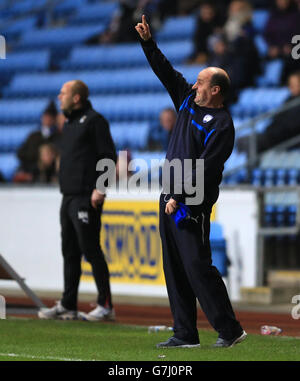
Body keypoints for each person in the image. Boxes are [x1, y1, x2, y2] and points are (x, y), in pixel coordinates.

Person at [135, 15, 246, 348]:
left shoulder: (222, 124)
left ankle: (230, 329)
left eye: (200, 83)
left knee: (197, 265)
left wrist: (180, 199)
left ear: (215, 90)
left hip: (191, 203)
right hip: (169, 197)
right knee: (175, 267)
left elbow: (206, 168)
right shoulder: (186, 100)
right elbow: (166, 72)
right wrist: (148, 43)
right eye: (195, 82)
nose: (194, 86)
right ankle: (185, 332)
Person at [38, 80, 117, 321]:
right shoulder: (69, 123)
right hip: (68, 196)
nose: (59, 97)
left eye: (63, 93)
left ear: (76, 98)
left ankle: (105, 305)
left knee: (91, 249)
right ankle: (68, 303)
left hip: (86, 197)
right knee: (69, 251)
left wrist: (100, 189)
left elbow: (109, 156)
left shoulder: (94, 121)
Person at [237, 71, 300, 154]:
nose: (291, 87)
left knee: (250, 143)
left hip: (284, 139)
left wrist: (273, 134)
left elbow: (290, 126)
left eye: (294, 84)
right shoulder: (289, 99)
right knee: (242, 141)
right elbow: (277, 118)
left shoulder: (296, 103)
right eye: (290, 84)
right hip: (273, 135)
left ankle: (252, 164)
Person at [14, 100, 60, 183]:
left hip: (53, 174)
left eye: (50, 117)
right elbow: (20, 154)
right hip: (33, 172)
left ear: (54, 119)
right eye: (45, 116)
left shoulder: (59, 136)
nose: (47, 119)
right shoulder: (33, 136)